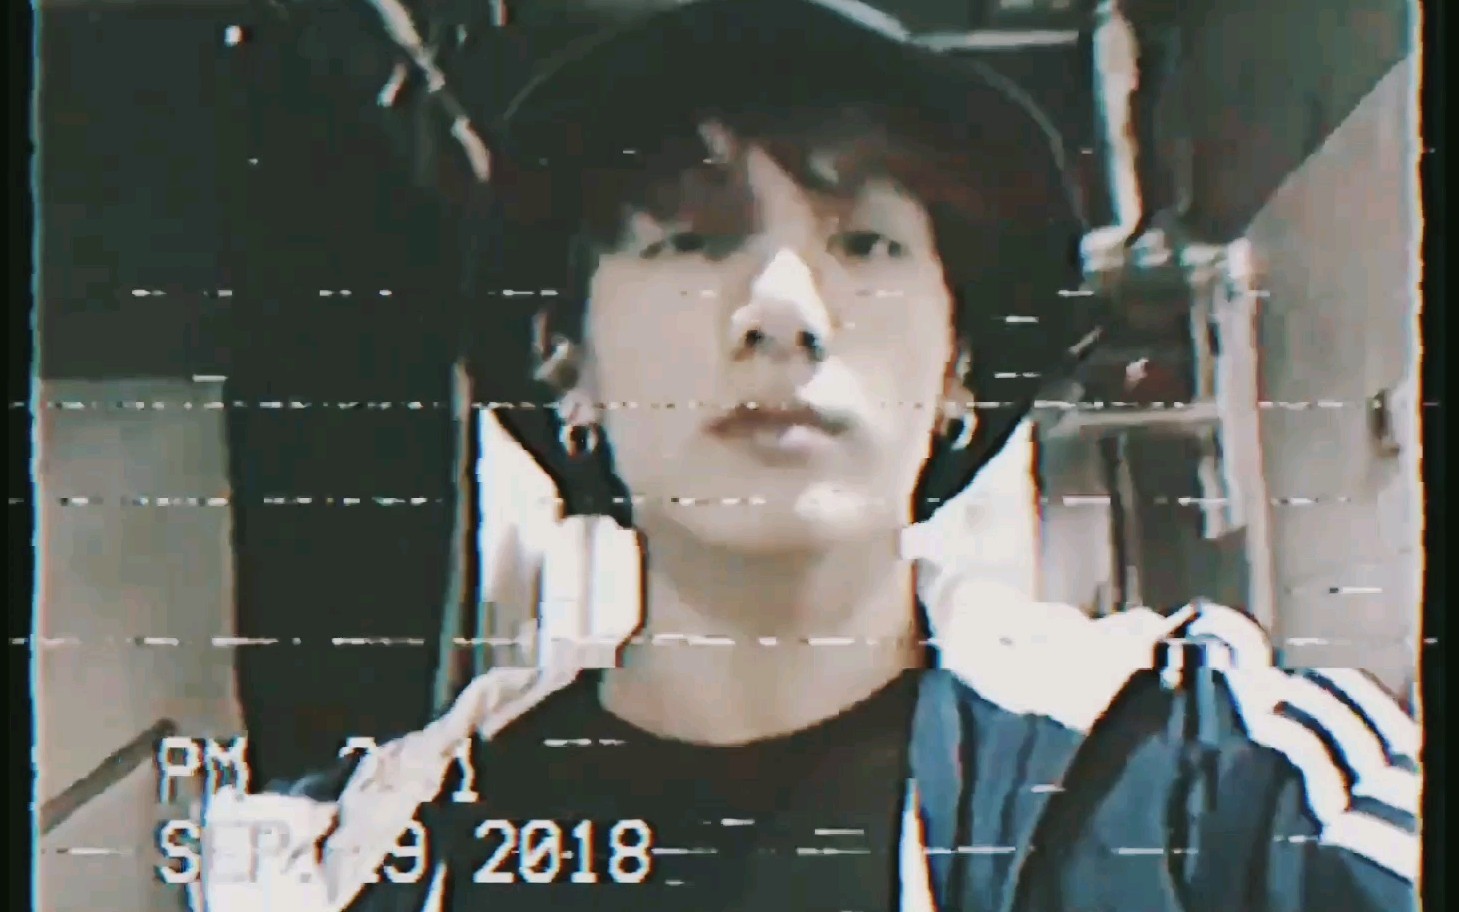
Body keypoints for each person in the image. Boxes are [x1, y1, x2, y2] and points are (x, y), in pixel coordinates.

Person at [190, 2, 1421, 911]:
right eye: (690, 239)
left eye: (867, 245)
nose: (782, 308)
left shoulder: (1207, 774)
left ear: (959, 368)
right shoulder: (398, 851)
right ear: (567, 364)